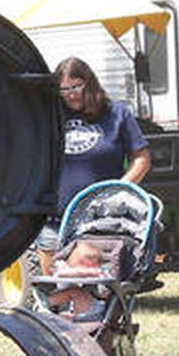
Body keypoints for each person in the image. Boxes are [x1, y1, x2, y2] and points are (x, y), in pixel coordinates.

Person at [37, 57, 150, 273]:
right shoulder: (51, 116)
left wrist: (119, 190)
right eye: (64, 89)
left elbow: (142, 159)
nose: (70, 94)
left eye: (76, 87)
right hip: (55, 219)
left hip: (101, 223)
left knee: (98, 289)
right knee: (53, 291)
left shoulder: (117, 114)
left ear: (89, 83)